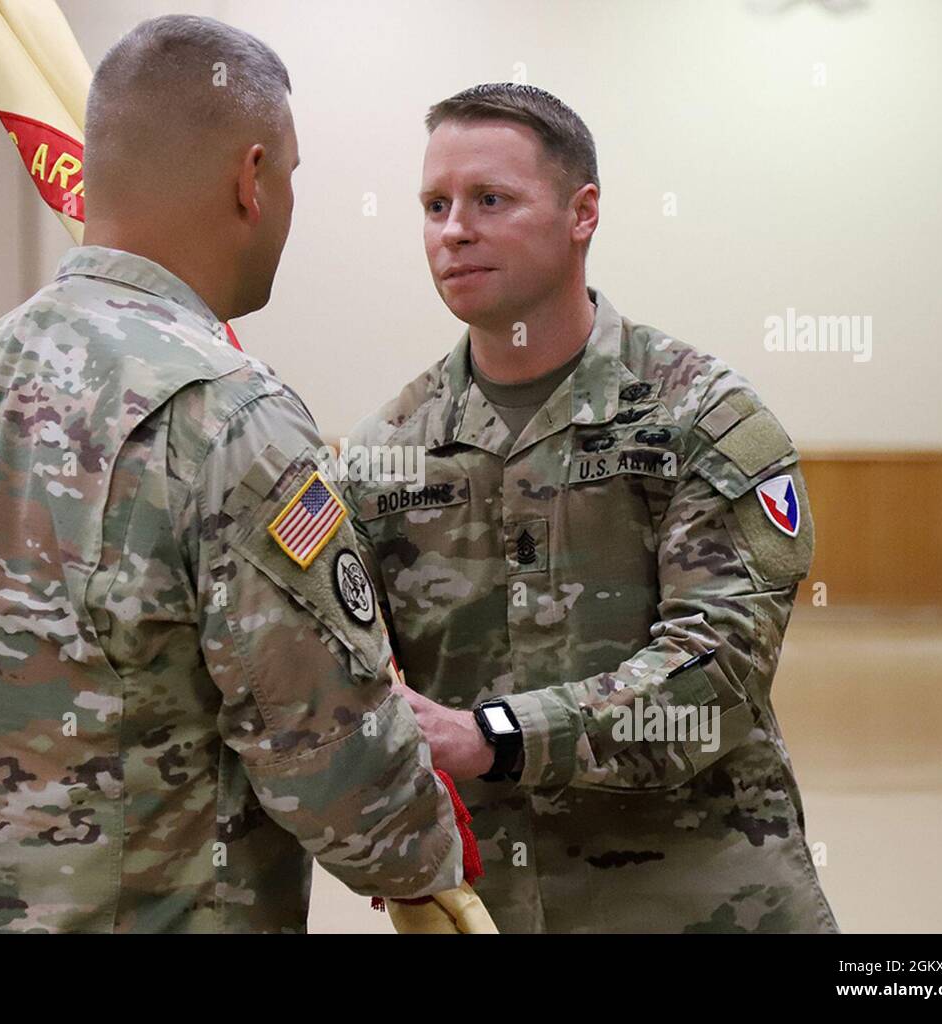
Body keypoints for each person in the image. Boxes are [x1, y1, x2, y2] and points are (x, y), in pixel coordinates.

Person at [0, 15, 465, 933]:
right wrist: (434, 860)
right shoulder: (232, 419)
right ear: (250, 180)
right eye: (290, 177)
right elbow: (326, 744)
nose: (289, 203)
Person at [345, 83, 839, 933]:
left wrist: (493, 736)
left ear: (583, 214)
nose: (453, 229)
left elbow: (714, 672)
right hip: (491, 912)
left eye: (490, 200)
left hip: (699, 904)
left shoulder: (699, 416)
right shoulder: (384, 452)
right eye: (435, 205)